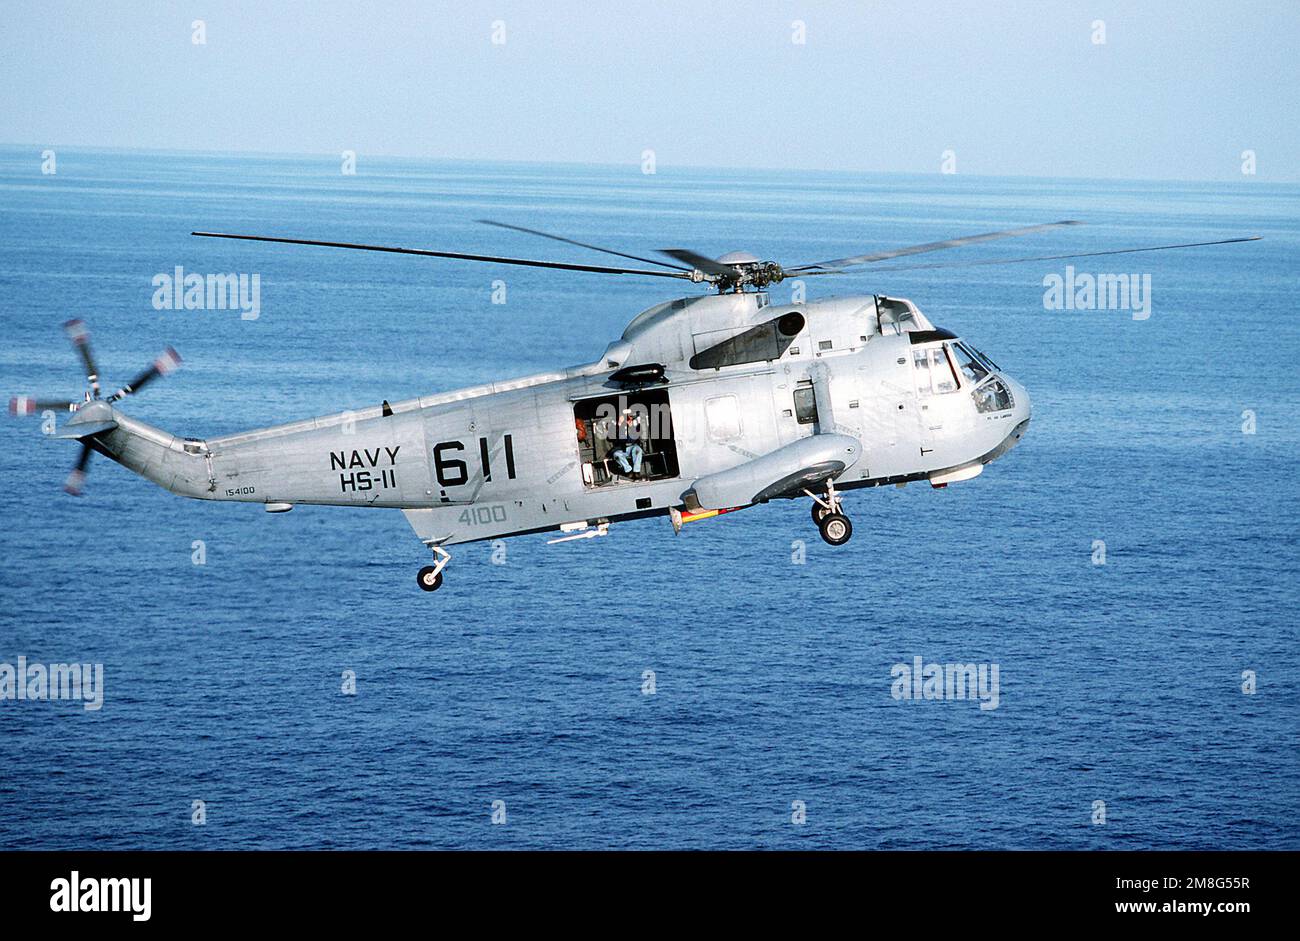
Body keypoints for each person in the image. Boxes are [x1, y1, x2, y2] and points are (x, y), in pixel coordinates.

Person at [611, 410, 644, 477]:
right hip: (622, 449)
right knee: (616, 455)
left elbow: (634, 438)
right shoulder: (617, 427)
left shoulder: (635, 425)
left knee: (638, 450)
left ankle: (636, 471)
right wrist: (619, 426)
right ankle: (628, 471)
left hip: (633, 447)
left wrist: (631, 427)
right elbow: (616, 440)